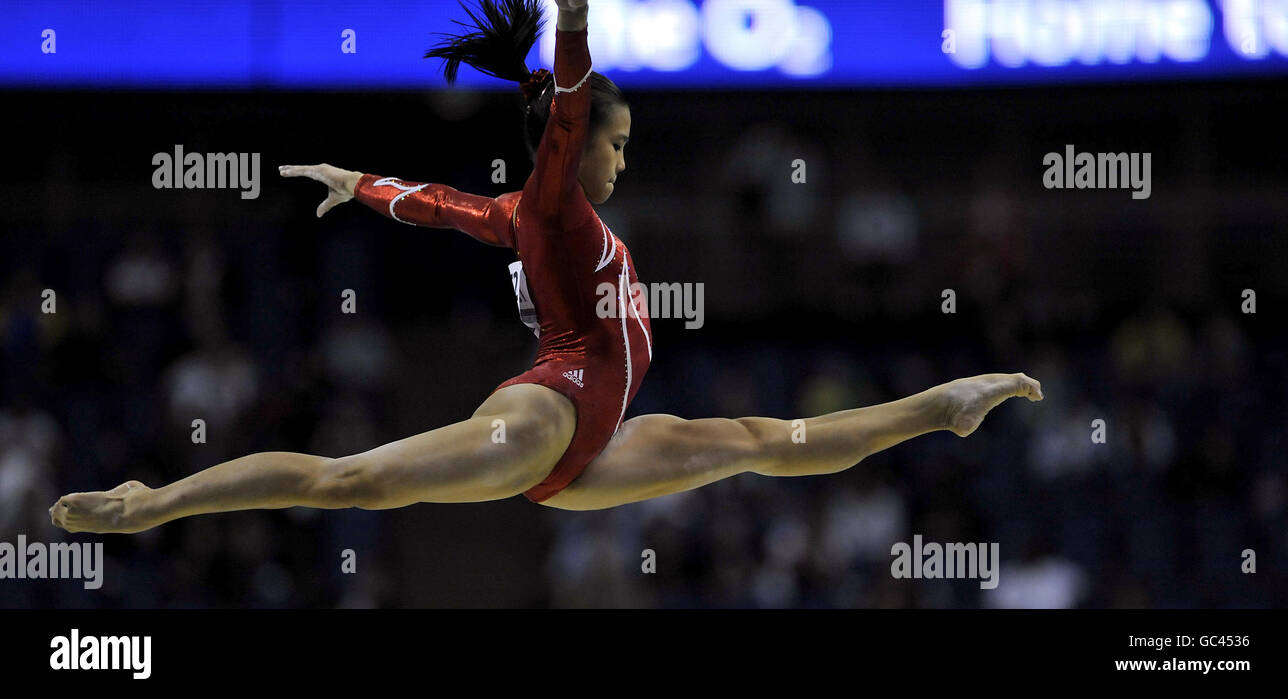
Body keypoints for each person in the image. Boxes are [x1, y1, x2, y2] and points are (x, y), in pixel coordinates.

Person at [50, 0, 1042, 535]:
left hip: (591, 449)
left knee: (757, 439)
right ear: (580, 144)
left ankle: (940, 404)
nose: (622, 158)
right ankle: (157, 502)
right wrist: (571, 16)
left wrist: (358, 183)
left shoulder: (528, 217)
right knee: (349, 482)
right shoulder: (556, 200)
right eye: (616, 143)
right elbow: (563, 104)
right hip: (550, 414)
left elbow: (439, 206)